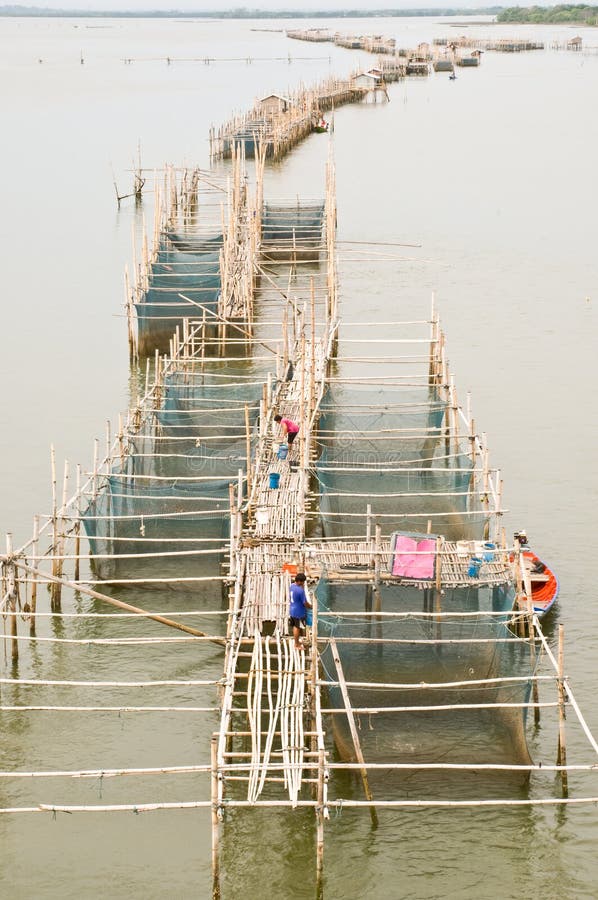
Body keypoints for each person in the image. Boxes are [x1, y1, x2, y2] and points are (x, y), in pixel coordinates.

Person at [289, 573, 311, 650]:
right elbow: (305, 603)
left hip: (292, 609)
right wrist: (311, 607)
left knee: (295, 626)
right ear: (300, 582)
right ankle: (296, 645)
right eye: (303, 582)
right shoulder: (300, 591)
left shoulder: (292, 586)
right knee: (297, 627)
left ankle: (297, 641)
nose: (304, 583)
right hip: (299, 612)